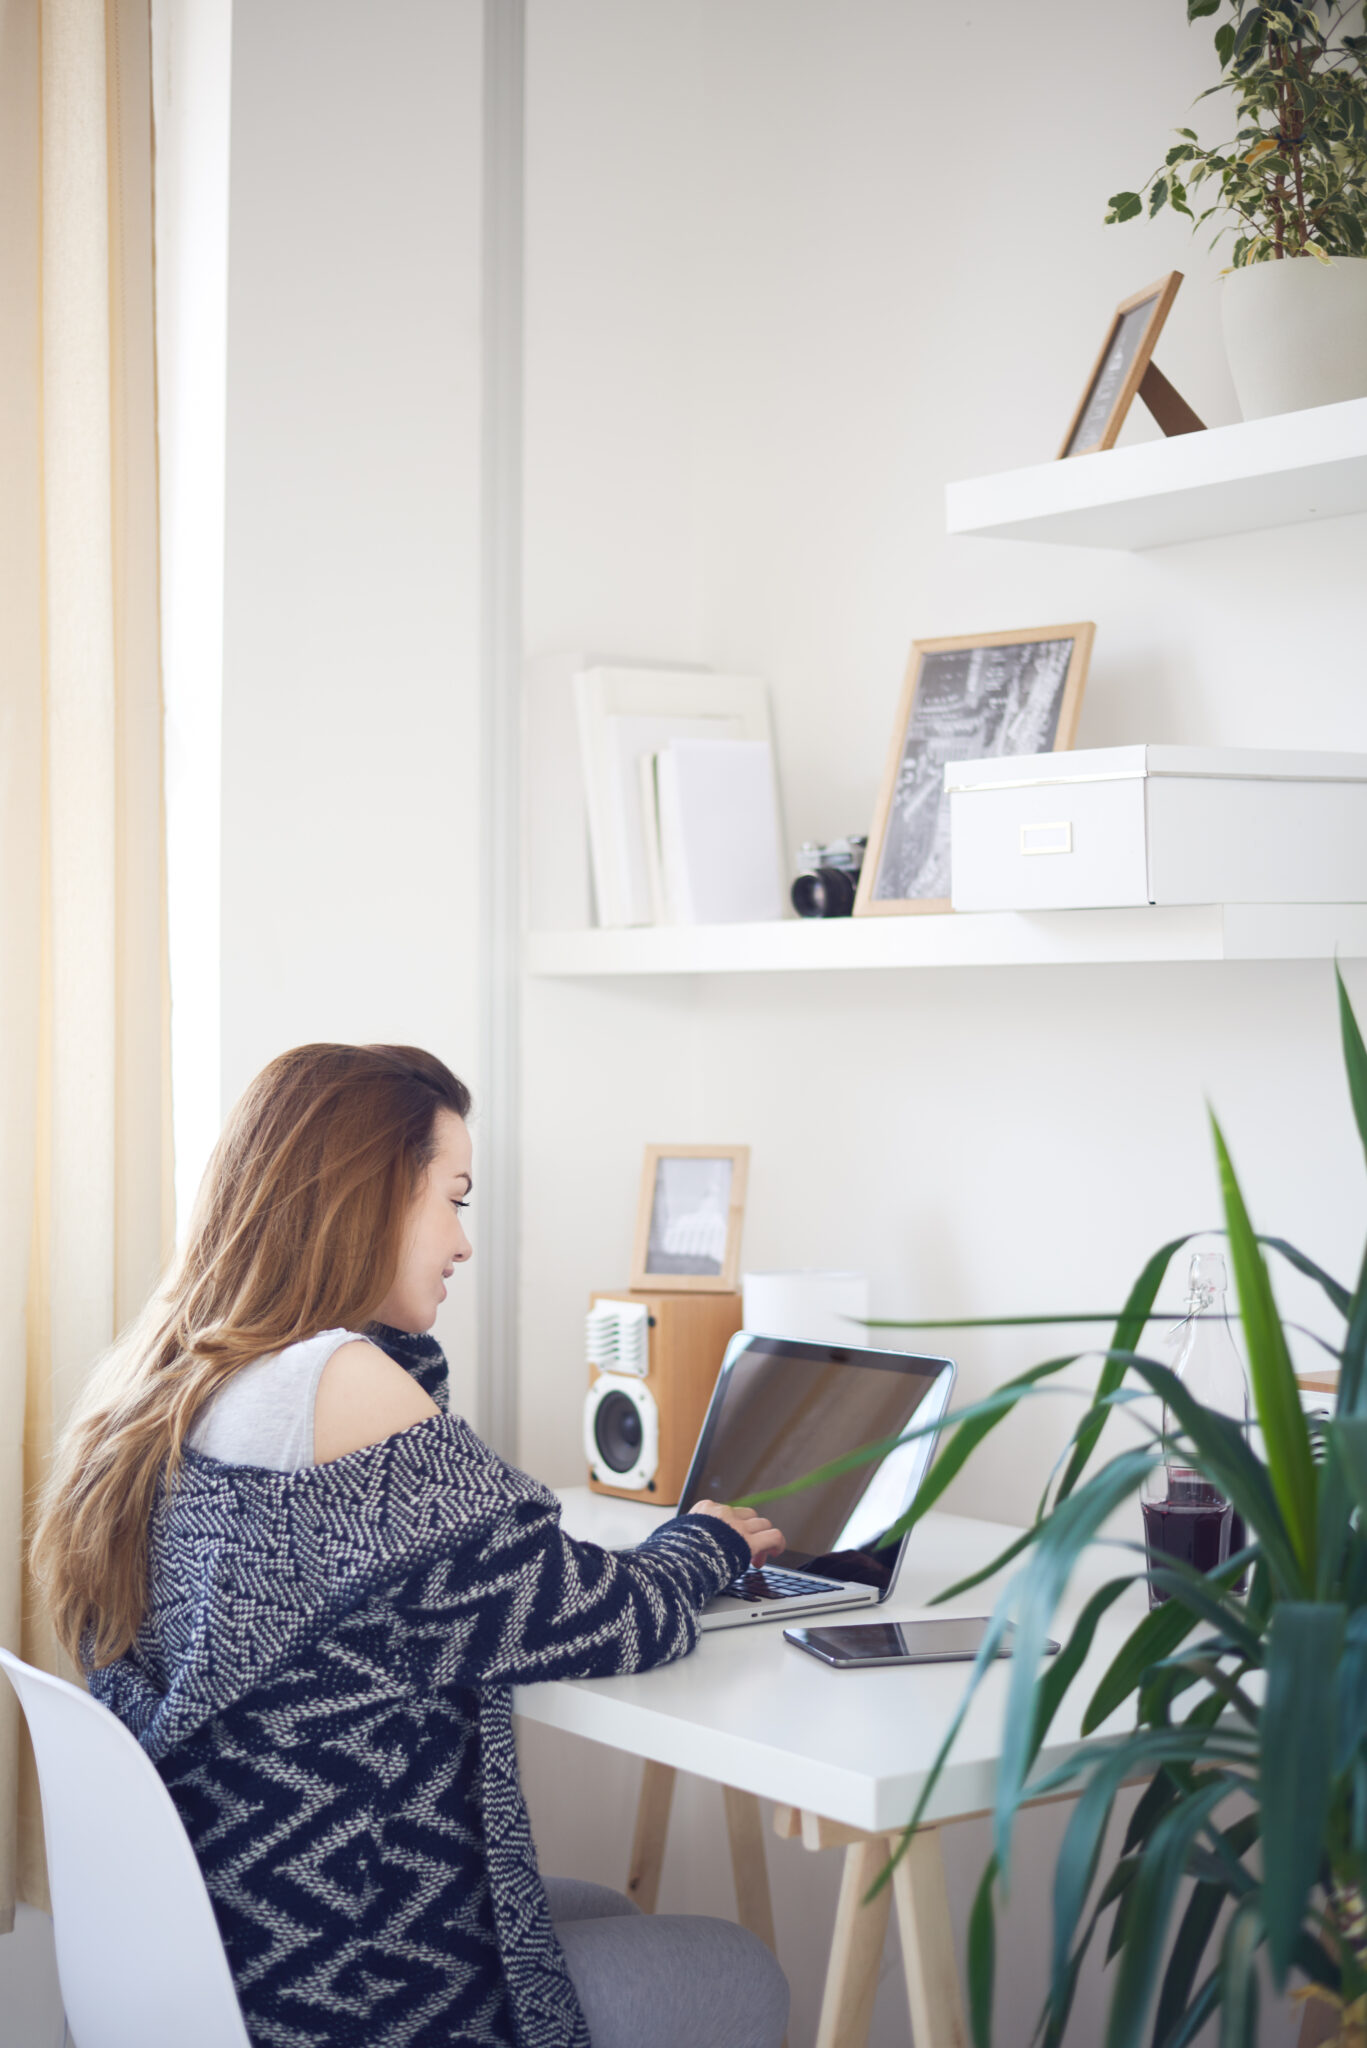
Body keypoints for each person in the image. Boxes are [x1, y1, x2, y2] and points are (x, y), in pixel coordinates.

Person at [32, 1043, 790, 2048]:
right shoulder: (336, 1384)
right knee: (740, 1970)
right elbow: (609, 1613)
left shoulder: (170, 1383)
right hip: (356, 1985)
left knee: (609, 1905)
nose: (462, 1243)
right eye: (453, 1198)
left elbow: (428, 1579)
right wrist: (702, 1543)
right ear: (371, 1197)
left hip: (225, 1944)